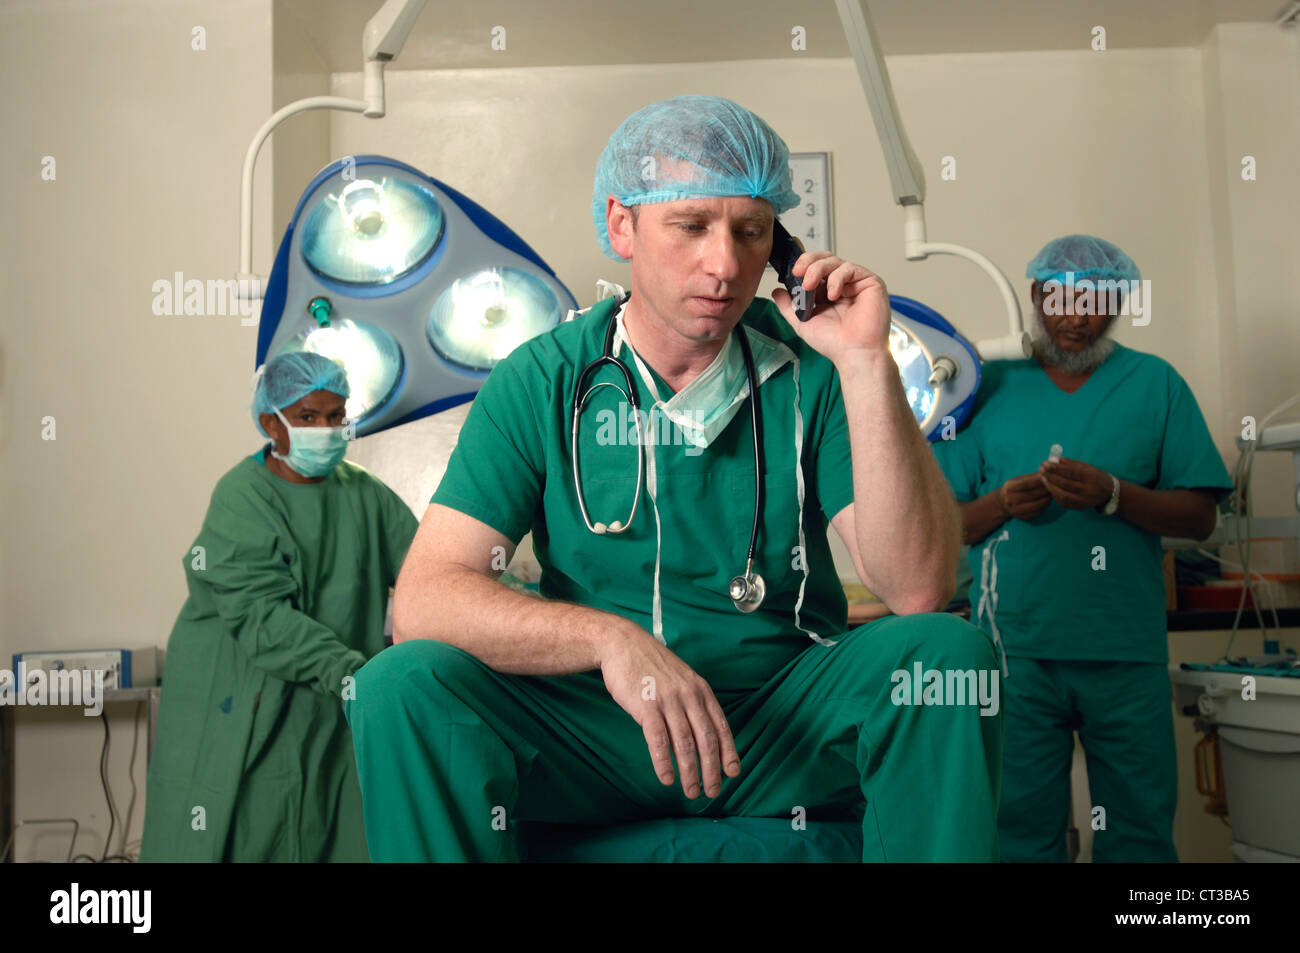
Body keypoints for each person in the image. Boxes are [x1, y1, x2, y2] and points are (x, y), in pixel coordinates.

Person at [346, 94, 1002, 863]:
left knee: (943, 658)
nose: (725, 264)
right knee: (402, 684)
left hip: (775, 727)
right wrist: (608, 639)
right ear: (621, 224)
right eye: (691, 225)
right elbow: (426, 598)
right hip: (597, 730)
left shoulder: (816, 376)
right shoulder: (544, 380)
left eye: (751, 232)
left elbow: (918, 589)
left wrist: (864, 364)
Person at [932, 234, 1234, 862]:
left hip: (1123, 651)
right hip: (1015, 654)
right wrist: (1002, 505)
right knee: (1016, 832)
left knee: (1140, 832)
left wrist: (1117, 495)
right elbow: (939, 525)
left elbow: (1201, 516)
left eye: (1098, 300)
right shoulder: (984, 386)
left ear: (1121, 302)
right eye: (1061, 298)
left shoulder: (1155, 384)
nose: (1077, 317)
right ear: (1035, 296)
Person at [141, 352, 417, 862]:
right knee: (246, 829)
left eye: (336, 416)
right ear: (272, 422)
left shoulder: (365, 495)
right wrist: (356, 676)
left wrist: (515, 601)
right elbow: (262, 619)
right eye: (309, 417)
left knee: (336, 828)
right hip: (244, 701)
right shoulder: (242, 497)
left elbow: (431, 572)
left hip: (331, 707)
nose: (327, 429)